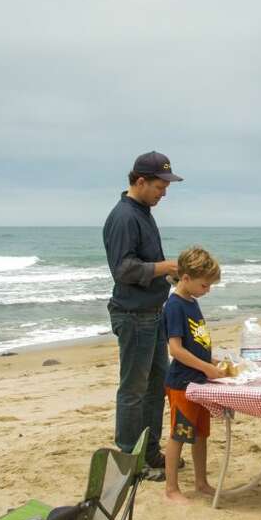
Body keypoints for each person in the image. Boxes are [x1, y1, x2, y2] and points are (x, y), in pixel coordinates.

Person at [102, 151, 183, 481]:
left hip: (152, 314)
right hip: (133, 315)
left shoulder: (143, 212)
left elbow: (142, 262)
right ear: (140, 181)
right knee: (133, 391)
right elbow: (122, 269)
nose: (164, 192)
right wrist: (164, 267)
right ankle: (128, 464)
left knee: (155, 388)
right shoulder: (123, 217)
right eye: (160, 186)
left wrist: (171, 277)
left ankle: (149, 453)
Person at [162, 246, 226, 503]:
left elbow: (195, 343)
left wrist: (212, 362)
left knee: (201, 434)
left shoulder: (192, 302)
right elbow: (176, 350)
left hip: (199, 379)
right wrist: (206, 367)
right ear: (185, 278)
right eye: (204, 285)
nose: (207, 290)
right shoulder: (175, 306)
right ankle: (171, 489)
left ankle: (201, 482)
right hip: (182, 383)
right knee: (180, 433)